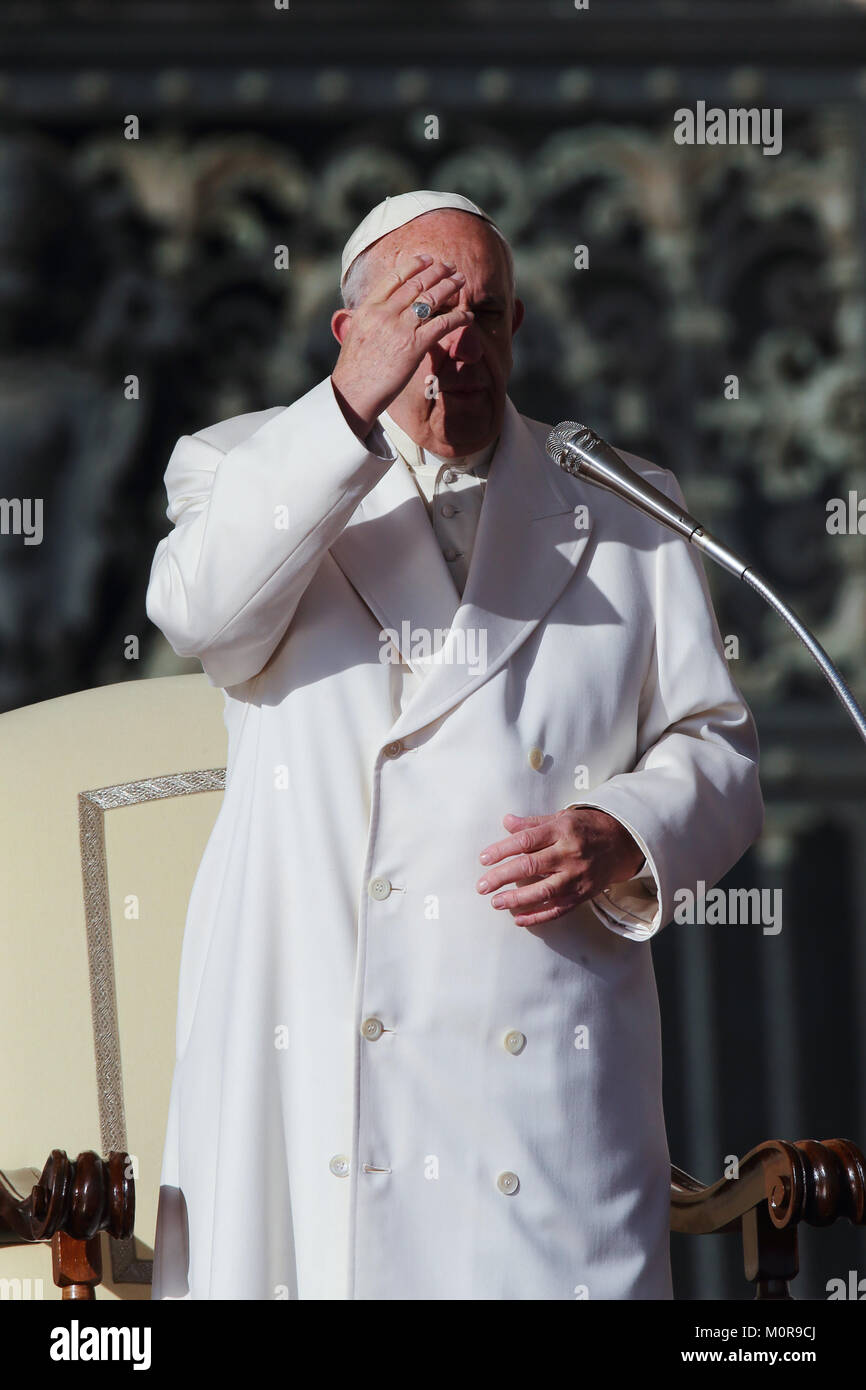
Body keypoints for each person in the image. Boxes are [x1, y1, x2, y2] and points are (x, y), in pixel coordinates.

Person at [146, 189, 763, 1300]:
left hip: (534, 1063)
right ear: (354, 332)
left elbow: (715, 744)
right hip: (321, 1044)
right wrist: (342, 414)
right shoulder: (244, 471)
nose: (457, 344)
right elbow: (200, 619)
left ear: (515, 327)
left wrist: (621, 830)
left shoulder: (624, 505)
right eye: (423, 311)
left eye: (482, 312)